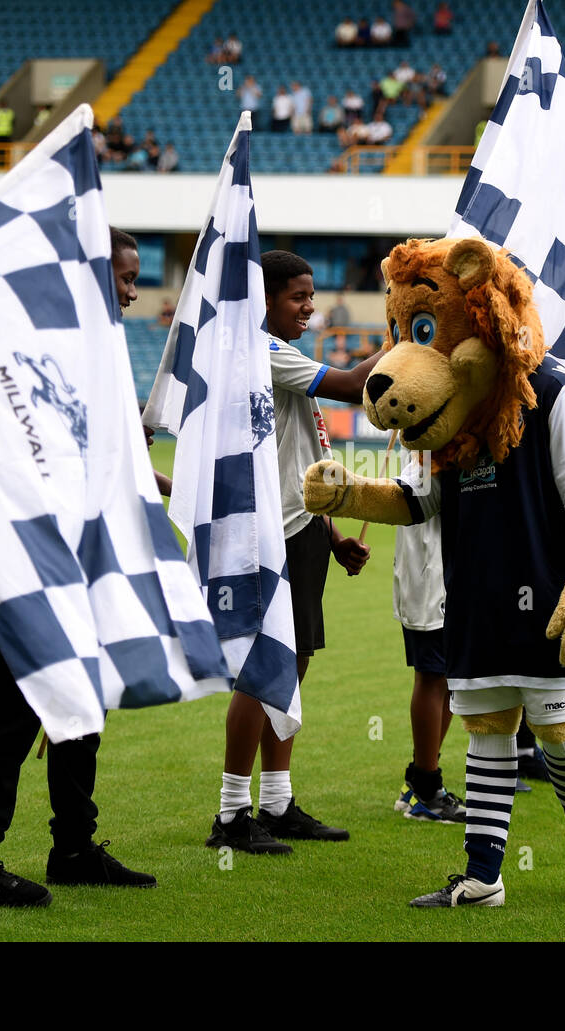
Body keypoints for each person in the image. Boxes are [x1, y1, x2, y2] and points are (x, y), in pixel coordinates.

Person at [0, 228, 153, 908]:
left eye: (135, 278)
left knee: (82, 703)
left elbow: (98, 462)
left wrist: (159, 483)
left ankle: (73, 848)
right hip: (30, 559)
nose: (133, 290)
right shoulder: (41, 353)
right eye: (124, 277)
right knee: (11, 710)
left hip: (82, 560)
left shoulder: (99, 355)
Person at [204, 251, 383, 854]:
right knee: (262, 667)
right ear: (267, 300)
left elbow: (295, 459)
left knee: (295, 659)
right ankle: (231, 813)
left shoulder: (279, 354)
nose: (309, 306)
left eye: (311, 295)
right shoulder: (262, 350)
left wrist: (330, 535)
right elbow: (355, 387)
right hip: (267, 536)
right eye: (298, 297)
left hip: (300, 526)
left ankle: (276, 802)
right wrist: (408, 335)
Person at [393, 512, 467, 823]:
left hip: (448, 561)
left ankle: (420, 782)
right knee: (433, 674)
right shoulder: (424, 463)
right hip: (429, 566)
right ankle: (425, 790)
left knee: (449, 675)